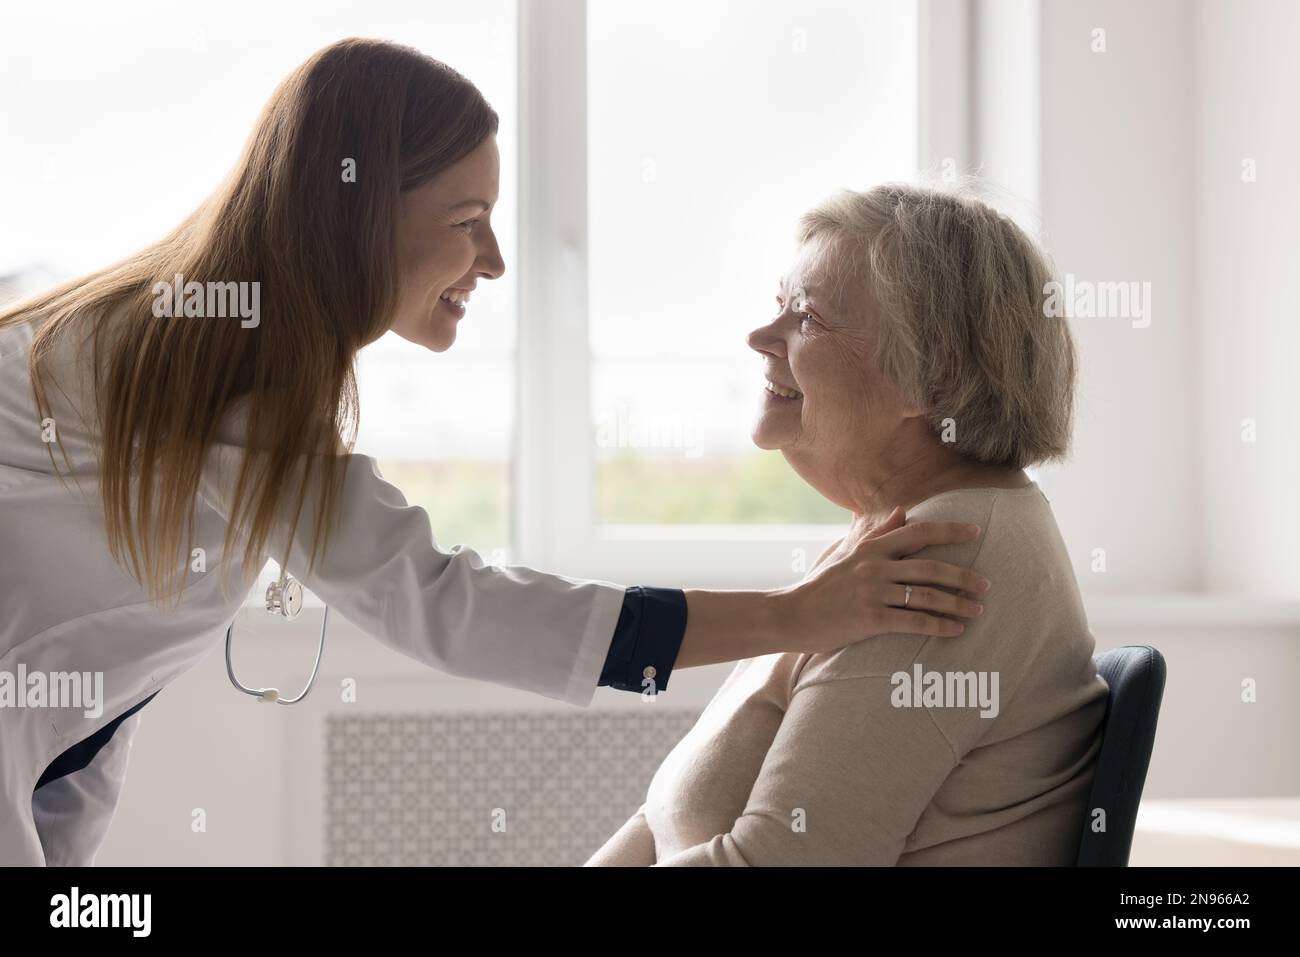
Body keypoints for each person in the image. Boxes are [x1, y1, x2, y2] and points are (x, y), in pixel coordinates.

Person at [0, 40, 987, 865]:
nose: (496, 262)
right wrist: (793, 613)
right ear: (356, 214)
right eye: (468, 223)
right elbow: (456, 610)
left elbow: (74, 698)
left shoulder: (195, 358)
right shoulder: (229, 388)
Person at [587, 184, 1109, 866]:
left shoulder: (947, 557)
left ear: (931, 377)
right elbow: (662, 819)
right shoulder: (877, 544)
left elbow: (778, 862)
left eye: (806, 318)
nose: (759, 336)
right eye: (780, 305)